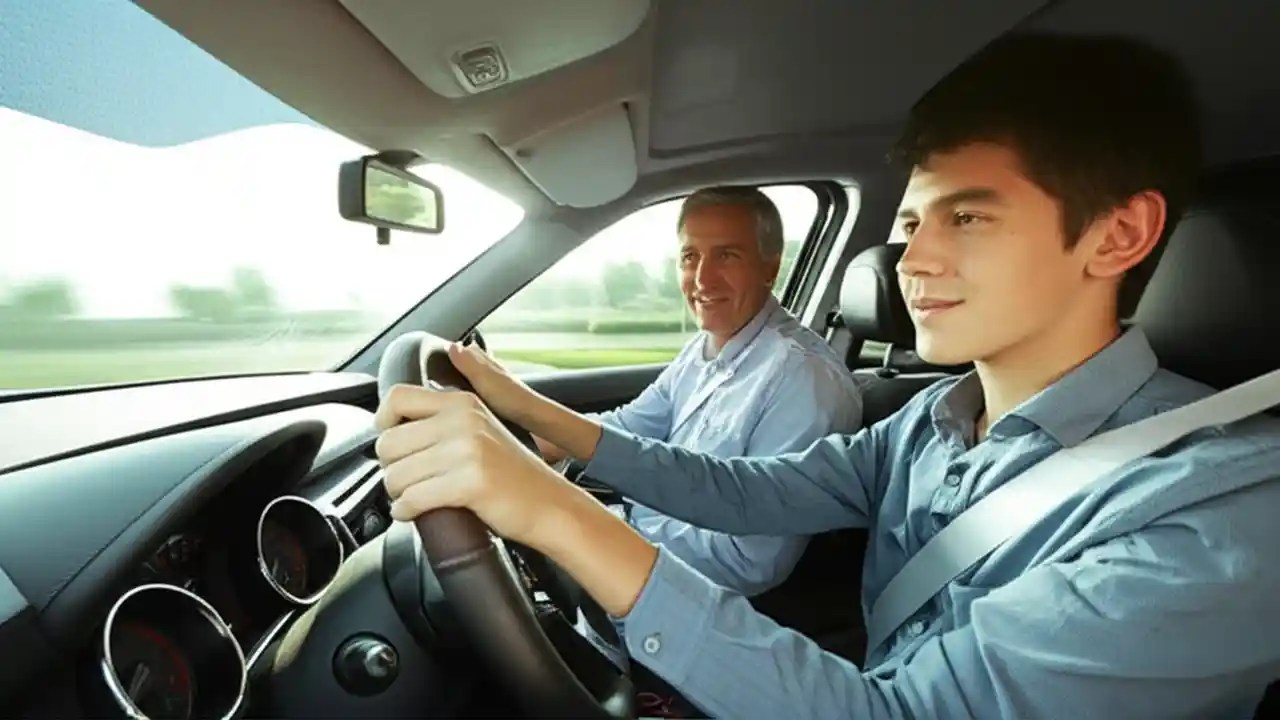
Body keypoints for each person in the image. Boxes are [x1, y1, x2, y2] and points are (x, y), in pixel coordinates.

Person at [374, 33, 1280, 719]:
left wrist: (553, 513)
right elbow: (741, 491)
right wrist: (526, 429)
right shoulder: (934, 418)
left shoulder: (1216, 516)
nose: (909, 261)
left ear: (1117, 236)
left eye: (967, 218)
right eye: (914, 221)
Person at [546, 187, 861, 618]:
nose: (702, 280)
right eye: (690, 256)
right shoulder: (707, 346)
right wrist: (530, 436)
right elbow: (632, 425)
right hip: (646, 559)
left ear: (770, 267)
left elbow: (750, 562)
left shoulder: (804, 381)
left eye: (727, 256)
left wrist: (597, 538)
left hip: (696, 609)